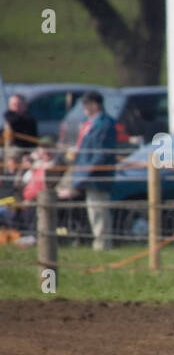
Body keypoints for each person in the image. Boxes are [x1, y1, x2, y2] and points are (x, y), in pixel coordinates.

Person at [65, 91, 118, 250]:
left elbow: (101, 153)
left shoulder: (105, 124)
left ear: (95, 105)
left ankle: (102, 244)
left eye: (85, 105)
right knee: (94, 210)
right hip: (87, 173)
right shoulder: (90, 123)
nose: (83, 109)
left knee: (99, 210)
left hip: (97, 175)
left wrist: (87, 171)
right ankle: (99, 242)